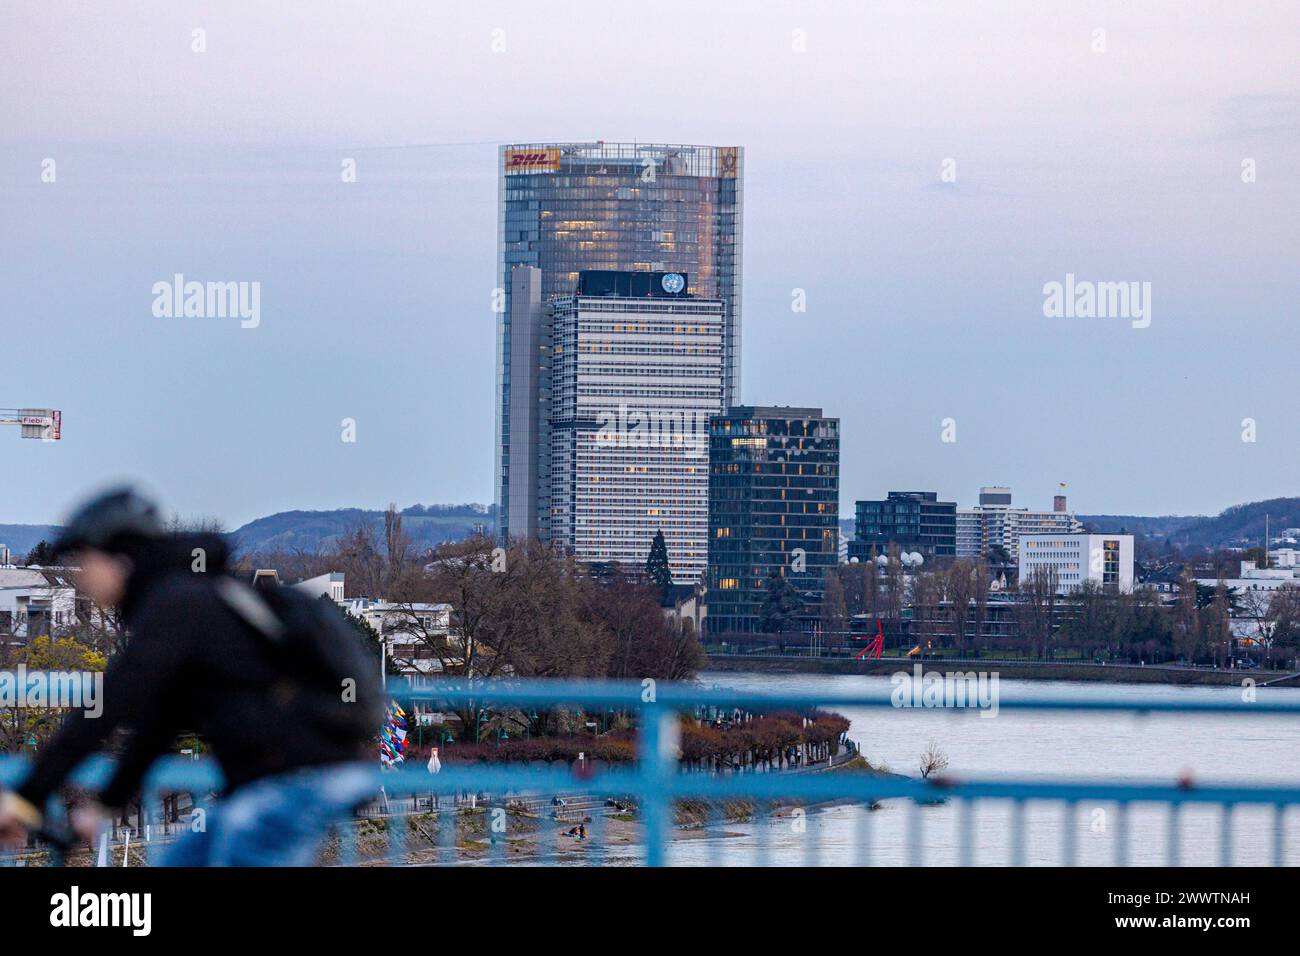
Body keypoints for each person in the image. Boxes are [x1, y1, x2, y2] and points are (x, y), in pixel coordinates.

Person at [0, 487, 383, 866]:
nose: (80, 576)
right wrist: (106, 806)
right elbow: (158, 726)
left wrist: (25, 797)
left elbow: (106, 708)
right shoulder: (186, 600)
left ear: (118, 559)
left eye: (85, 561)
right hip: (278, 780)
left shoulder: (176, 605)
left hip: (298, 779)